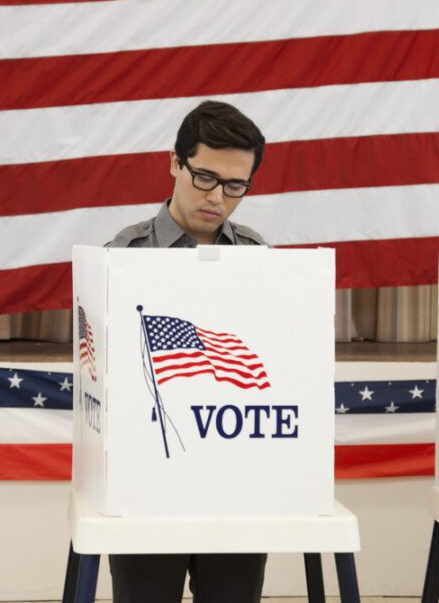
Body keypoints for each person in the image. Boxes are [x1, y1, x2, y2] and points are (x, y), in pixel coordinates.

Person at [105, 101, 267, 602]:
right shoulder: (124, 254)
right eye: (204, 177)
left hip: (233, 475)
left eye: (235, 185)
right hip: (146, 477)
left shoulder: (258, 257)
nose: (218, 197)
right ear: (175, 163)